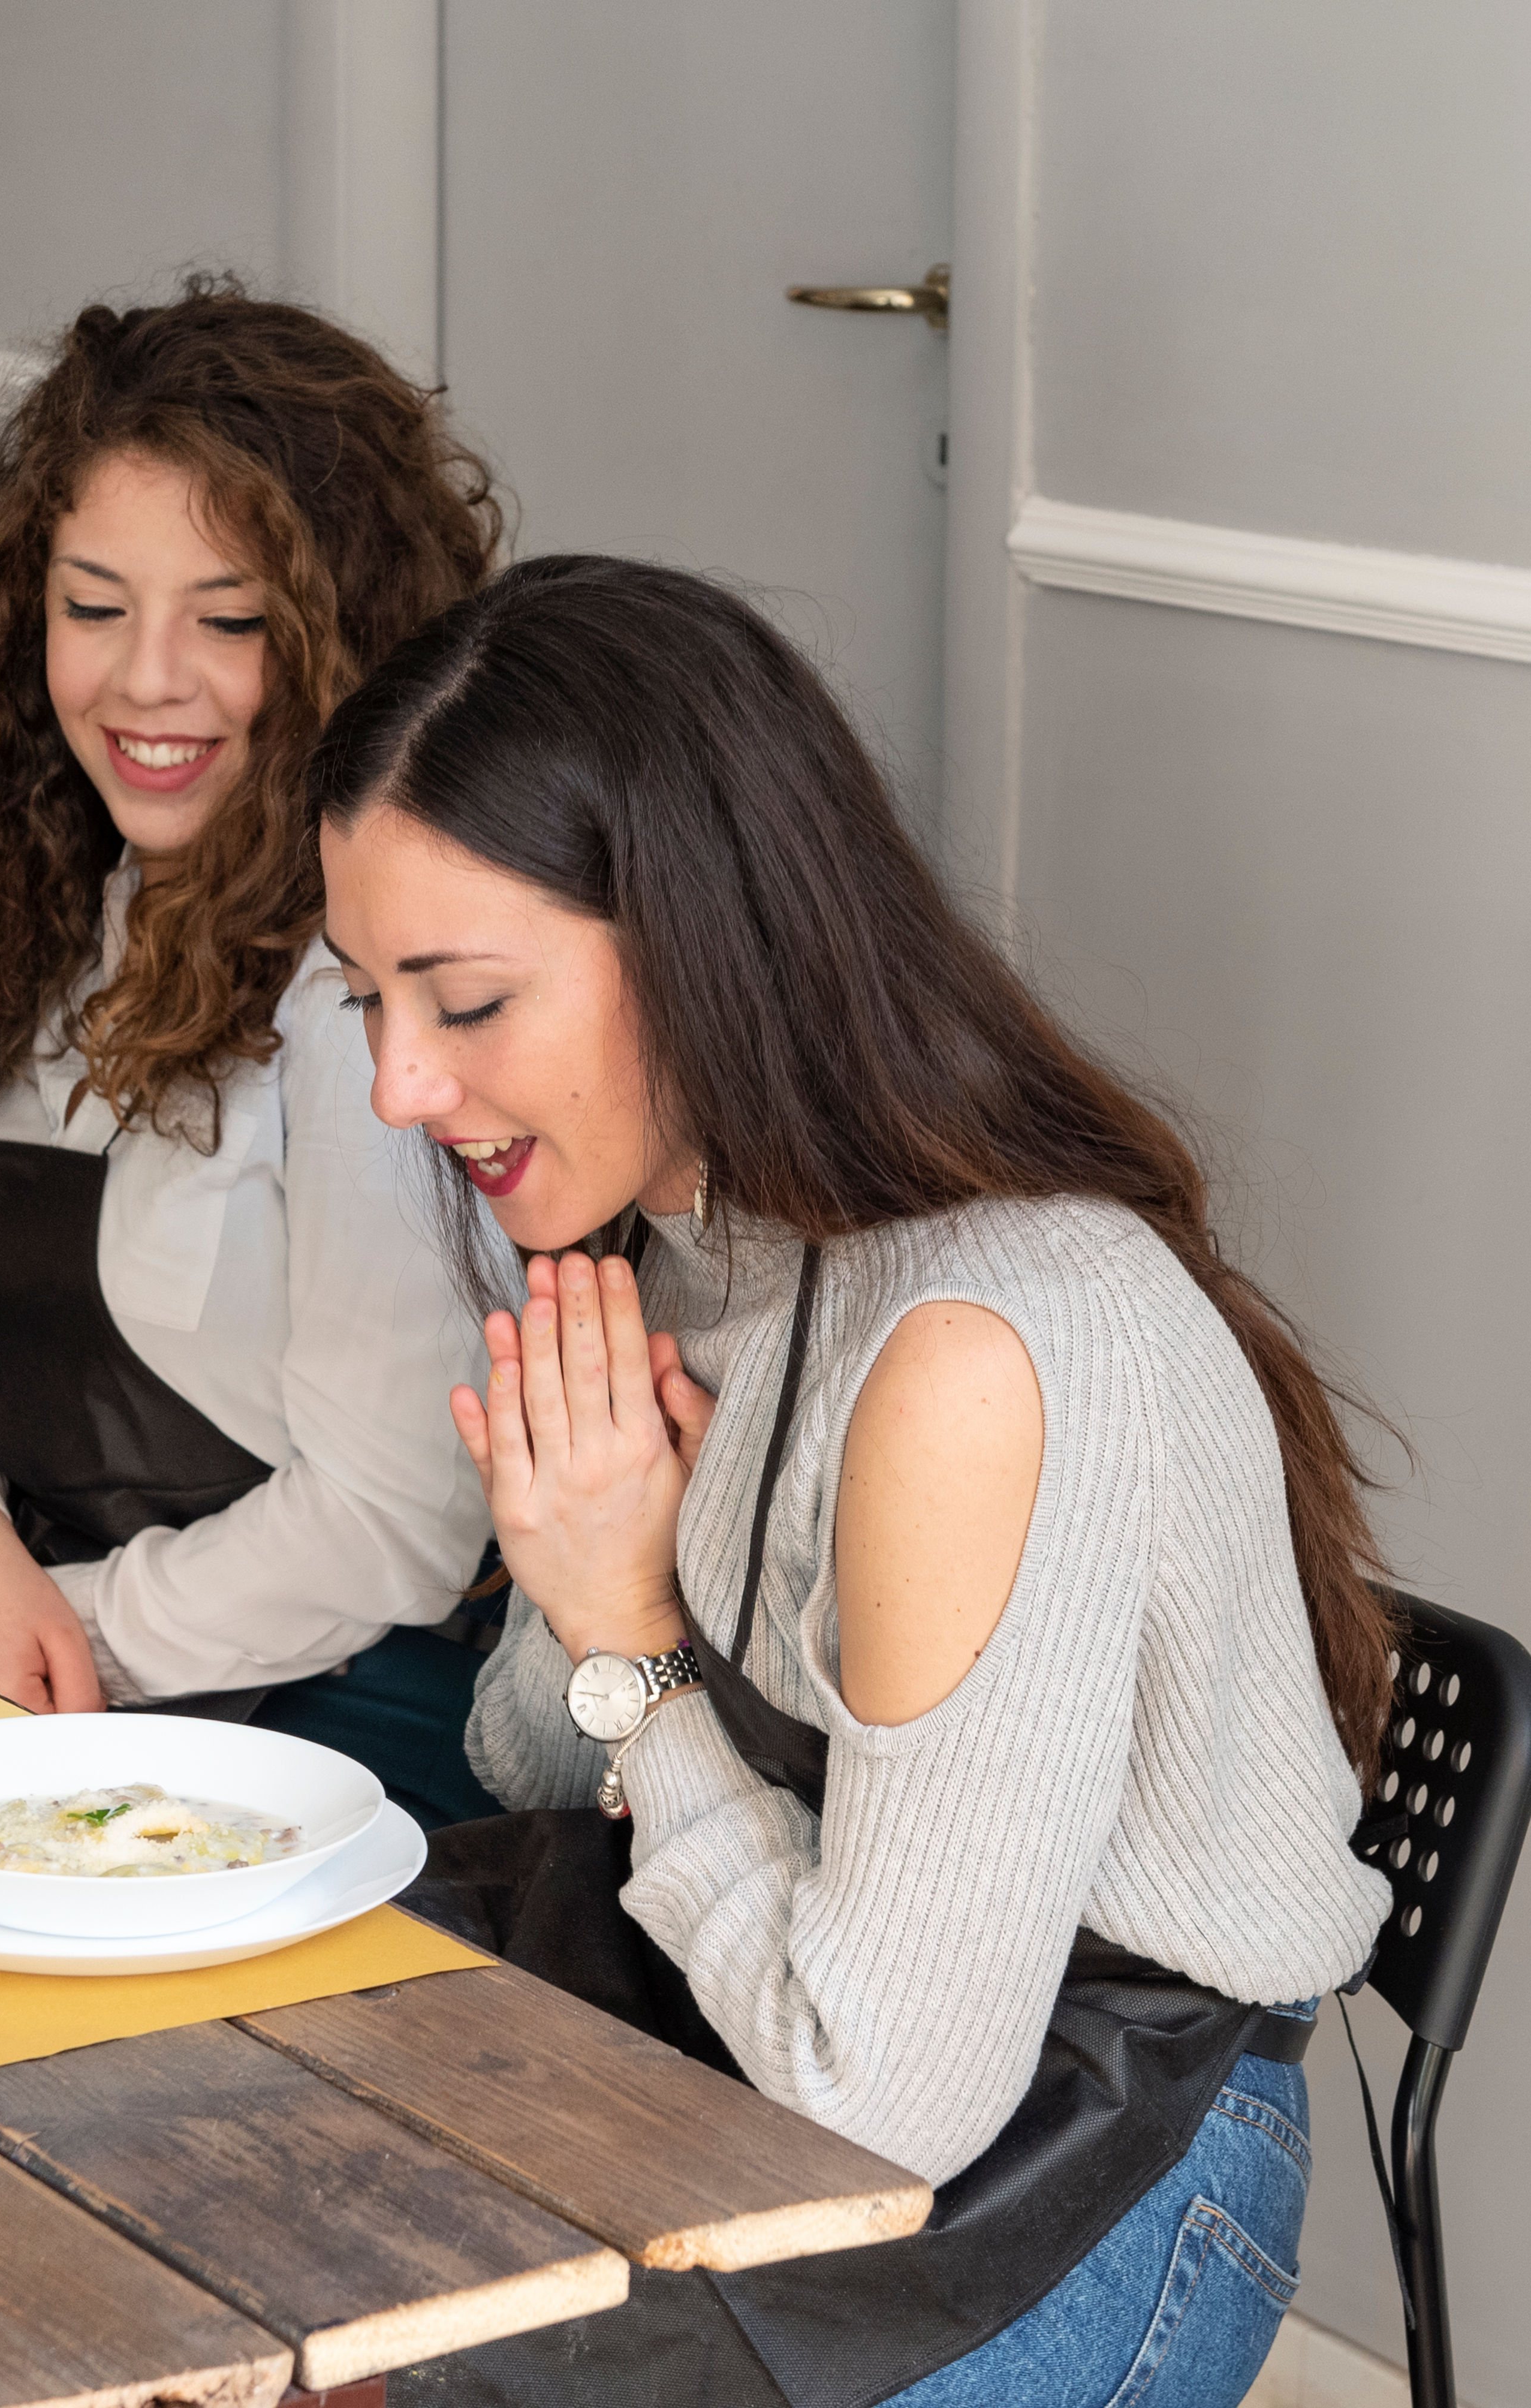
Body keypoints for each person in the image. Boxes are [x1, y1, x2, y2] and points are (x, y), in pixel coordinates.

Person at [312, 556, 1400, 2407]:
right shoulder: (686, 1222)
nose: (402, 1089)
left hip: (1082, 2174)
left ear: (703, 941)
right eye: (366, 1005)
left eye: (468, 1003)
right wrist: (588, 1575)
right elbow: (541, 1767)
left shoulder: (977, 1354)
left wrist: (632, 1632)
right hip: (802, 2065)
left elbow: (876, 2103)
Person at [0, 284, 509, 1825]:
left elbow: (388, 1523)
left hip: (324, 1715)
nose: (144, 682)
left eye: (228, 621)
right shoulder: (43, 894)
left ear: (341, 644)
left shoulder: (361, 997)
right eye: (92, 608)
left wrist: (41, 1638)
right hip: (19, 1632)